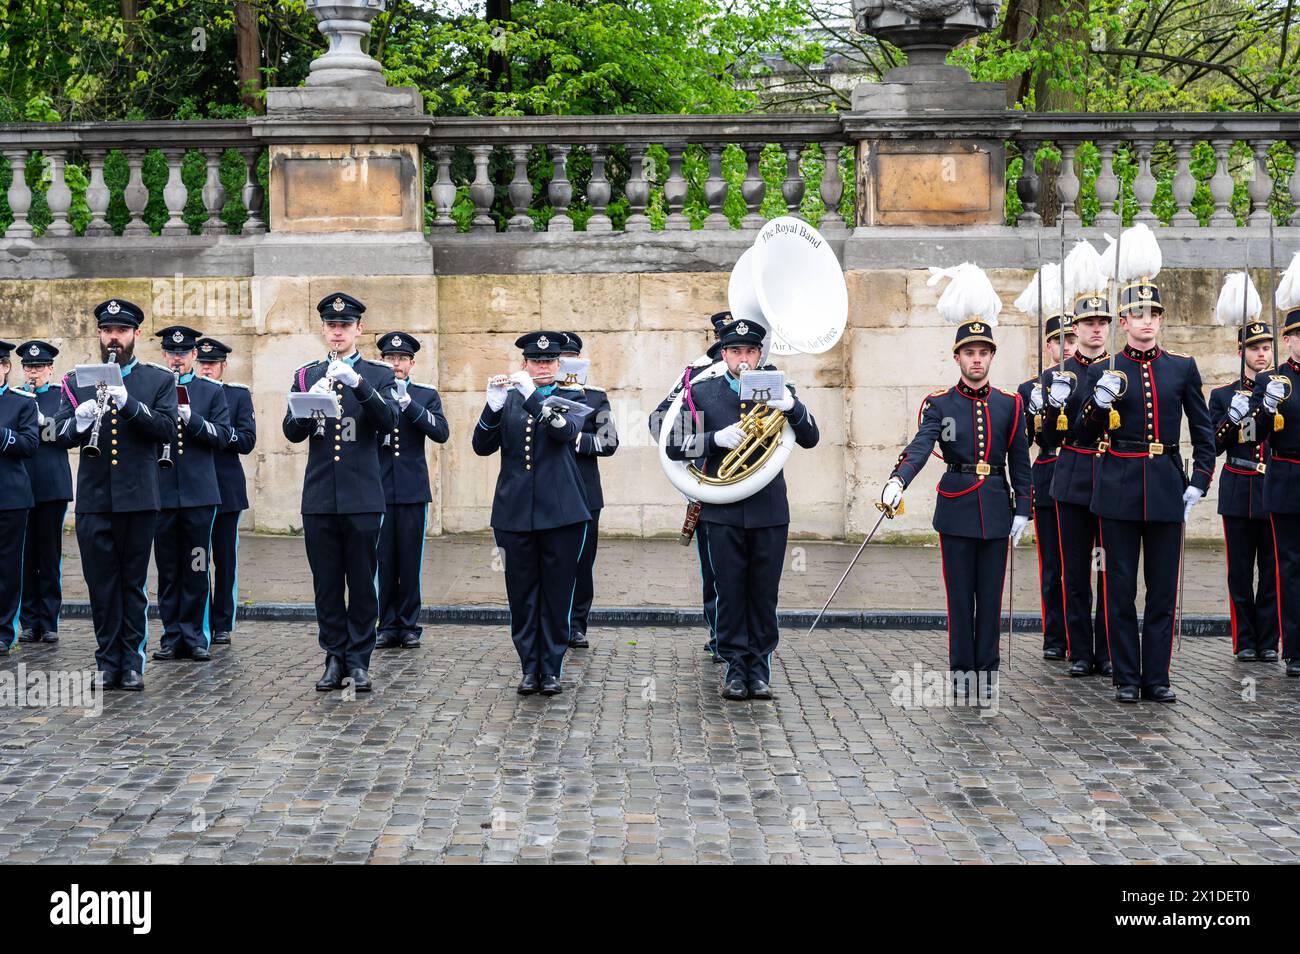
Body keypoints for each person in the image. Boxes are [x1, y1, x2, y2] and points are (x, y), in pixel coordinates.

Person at [1073, 224, 1215, 703]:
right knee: (1119, 591)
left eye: (1153, 313)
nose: (1147, 321)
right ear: (1124, 321)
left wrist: (1198, 480)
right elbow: (1082, 433)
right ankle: (1127, 678)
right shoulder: (1107, 369)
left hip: (1164, 484)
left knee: (1161, 592)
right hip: (1116, 485)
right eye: (1137, 314)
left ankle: (1157, 677)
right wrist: (1097, 399)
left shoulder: (1181, 368)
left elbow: (1203, 430)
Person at [882, 263, 1030, 700]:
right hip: (957, 507)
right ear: (958, 357)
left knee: (991, 599)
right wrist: (897, 480)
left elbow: (1020, 461)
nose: (977, 359)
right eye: (970, 353)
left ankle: (988, 673)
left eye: (984, 352)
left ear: (991, 356)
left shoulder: (1010, 404)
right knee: (960, 601)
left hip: (997, 509)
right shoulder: (939, 403)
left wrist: (1024, 508)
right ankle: (962, 673)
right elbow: (922, 446)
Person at [664, 317, 819, 701]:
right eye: (736, 351)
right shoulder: (703, 392)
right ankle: (736, 667)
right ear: (724, 353)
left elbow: (812, 437)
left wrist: (792, 407)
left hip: (768, 509)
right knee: (730, 590)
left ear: (760, 353)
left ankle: (760, 666)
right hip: (722, 511)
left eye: (751, 351)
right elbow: (673, 445)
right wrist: (714, 439)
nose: (744, 358)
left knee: (764, 592)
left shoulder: (780, 387)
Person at [54, 299, 178, 690]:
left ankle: (132, 661)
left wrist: (129, 405)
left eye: (121, 331)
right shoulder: (76, 380)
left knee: (132, 583)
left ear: (135, 334)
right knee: (101, 584)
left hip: (139, 498)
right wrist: (78, 420)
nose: (114, 338)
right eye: (108, 330)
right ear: (99, 333)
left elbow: (165, 429)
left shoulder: (157, 380)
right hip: (94, 499)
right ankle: (108, 661)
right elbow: (56, 435)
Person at [283, 292, 397, 692]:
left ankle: (359, 659)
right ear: (324, 329)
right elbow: (292, 432)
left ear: (358, 330)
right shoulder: (305, 374)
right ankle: (334, 655)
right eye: (332, 326)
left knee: (363, 581)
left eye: (345, 325)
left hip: (363, 495)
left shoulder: (380, 375)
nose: (337, 332)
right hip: (319, 496)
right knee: (327, 582)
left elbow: (388, 421)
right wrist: (309, 400)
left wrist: (359, 384)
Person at [474, 331, 590, 695]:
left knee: (557, 593)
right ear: (524, 364)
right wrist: (491, 408)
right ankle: (529, 666)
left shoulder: (573, 396)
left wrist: (533, 398)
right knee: (521, 593)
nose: (542, 366)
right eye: (535, 361)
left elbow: (564, 433)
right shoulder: (508, 398)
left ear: (559, 365)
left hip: (561, 513)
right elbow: (481, 446)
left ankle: (551, 667)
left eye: (549, 361)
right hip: (514, 512)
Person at [1036, 241, 1113, 678]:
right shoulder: (1056, 375)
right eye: (1088, 322)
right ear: (1076, 327)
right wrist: (1052, 404)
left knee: (1110, 570)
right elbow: (1046, 436)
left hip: (1112, 473)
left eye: (1102, 322)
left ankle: (1106, 650)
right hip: (1071, 474)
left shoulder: (1120, 368)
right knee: (1074, 570)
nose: (1096, 329)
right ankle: (1080, 649)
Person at [648, 311, 735, 663]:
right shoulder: (696, 376)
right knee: (714, 570)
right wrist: (688, 467)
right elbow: (659, 421)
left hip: (756, 489)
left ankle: (746, 642)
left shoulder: (768, 377)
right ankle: (720, 635)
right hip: (711, 482)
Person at [151, 326, 231, 663]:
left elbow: (224, 436)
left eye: (183, 354)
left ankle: (197, 635)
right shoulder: (154, 387)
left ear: (194, 356)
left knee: (197, 566)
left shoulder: (211, 393)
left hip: (199, 495)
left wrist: (192, 419)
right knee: (169, 569)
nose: (177, 359)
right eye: (171, 353)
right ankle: (172, 635)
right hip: (163, 493)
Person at [1208, 303, 1277, 662]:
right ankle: (1244, 640)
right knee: (1239, 572)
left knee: (1272, 571)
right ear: (1241, 353)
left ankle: (1268, 640)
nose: (1261, 354)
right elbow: (1215, 444)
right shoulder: (1222, 395)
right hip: (1238, 485)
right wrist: (1234, 418)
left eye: (1266, 348)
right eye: (1254, 348)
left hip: (1275, 489)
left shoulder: (1283, 389)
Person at [1016, 265, 1076, 661]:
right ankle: (1056, 637)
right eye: (1059, 340)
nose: (1068, 346)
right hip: (1051, 475)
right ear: (1049, 347)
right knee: (1052, 567)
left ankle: (1087, 640)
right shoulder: (1030, 388)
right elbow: (1022, 445)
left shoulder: (1100, 377)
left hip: (1089, 474)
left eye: (1072, 338)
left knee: (1092, 567)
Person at [374, 331, 448, 650]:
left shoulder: (425, 394)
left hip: (412, 490)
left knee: (409, 562)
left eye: (401, 359)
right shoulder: (370, 393)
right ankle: (386, 624)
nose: (395, 364)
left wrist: (408, 404)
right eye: (390, 358)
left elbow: (440, 432)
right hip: (376, 488)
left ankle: (408, 625)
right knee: (383, 561)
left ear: (412, 363)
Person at [1245, 253, 1300, 677]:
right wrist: (1266, 407)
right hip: (1286, 478)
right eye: (1297, 336)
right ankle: (1295, 649)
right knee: (1290, 568)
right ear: (1288, 340)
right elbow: (1253, 434)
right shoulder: (1272, 380)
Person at [557, 331, 618, 649]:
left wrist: (578, 439)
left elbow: (609, 441)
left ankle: (577, 623)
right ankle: (554, 622)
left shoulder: (595, 397)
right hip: (553, 493)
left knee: (582, 562)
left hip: (585, 491)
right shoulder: (539, 396)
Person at [195, 337, 257, 646]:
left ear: (223, 366)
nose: (207, 368)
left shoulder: (237, 396)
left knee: (225, 560)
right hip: (195, 490)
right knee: (196, 559)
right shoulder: (185, 394)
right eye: (203, 363)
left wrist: (217, 433)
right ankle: (199, 620)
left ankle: (222, 623)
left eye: (212, 364)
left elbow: (246, 441)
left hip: (226, 488)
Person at [16, 340, 72, 646]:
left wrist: (43, 422)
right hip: (22, 486)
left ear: (50, 369)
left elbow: (64, 435)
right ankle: (28, 620)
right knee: (25, 556)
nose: (33, 372)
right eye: (28, 367)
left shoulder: (61, 396)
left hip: (51, 485)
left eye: (38, 367)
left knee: (49, 557)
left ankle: (49, 620)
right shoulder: (17, 397)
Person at [0, 340, 39, 655]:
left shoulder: (23, 402)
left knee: (7, 567)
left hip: (9, 497)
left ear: (5, 367)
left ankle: (3, 630)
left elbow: (29, 444)